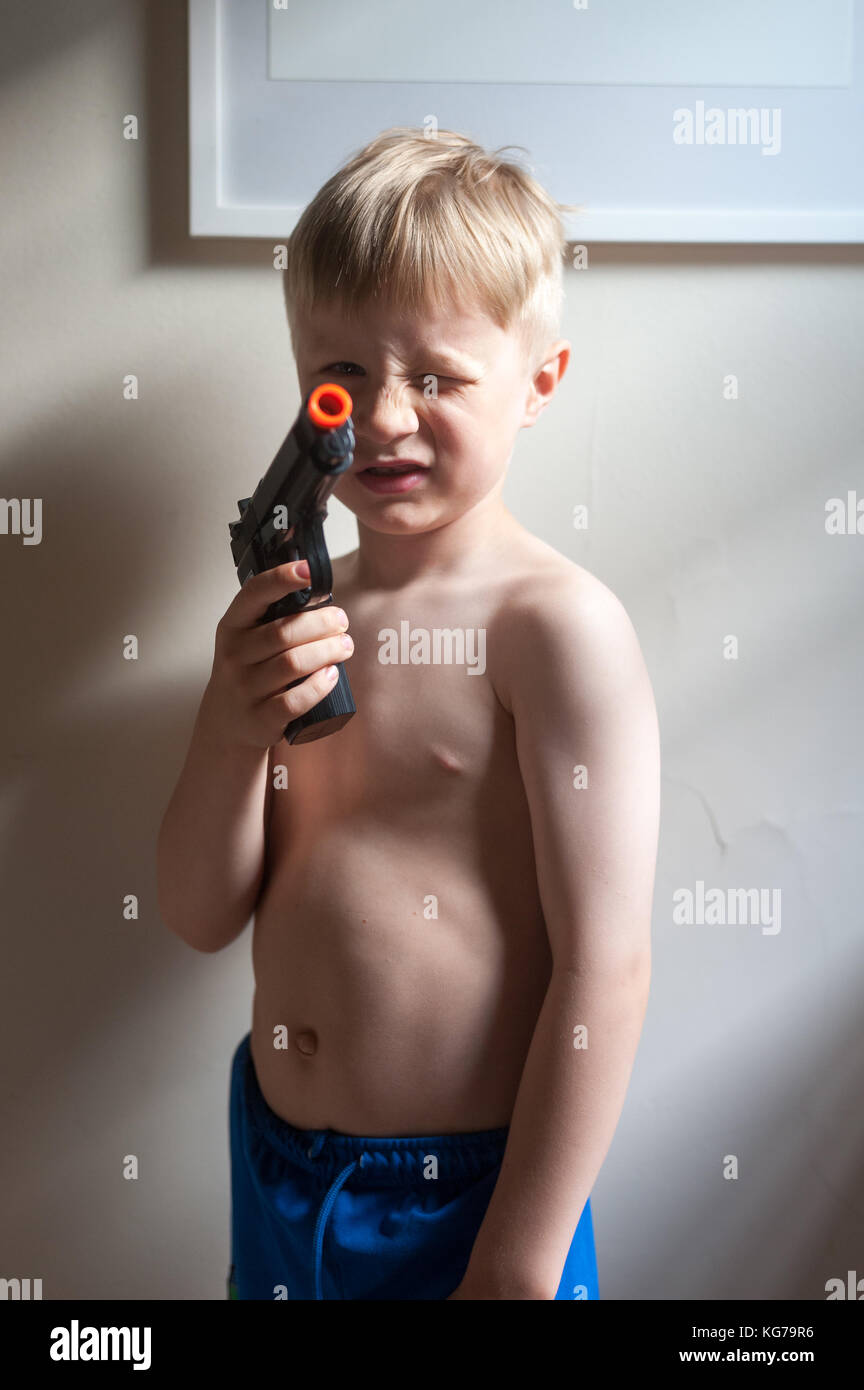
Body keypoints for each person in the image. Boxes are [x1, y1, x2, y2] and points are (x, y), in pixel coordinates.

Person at [157, 127, 660, 1301]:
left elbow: (608, 966)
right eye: (343, 376)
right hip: (279, 1167)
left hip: (479, 1194)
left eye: (436, 377)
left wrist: (521, 1258)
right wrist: (232, 732)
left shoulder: (554, 630)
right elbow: (194, 912)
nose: (382, 420)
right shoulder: (291, 607)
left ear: (539, 383)